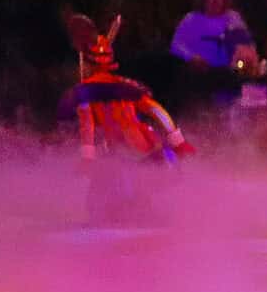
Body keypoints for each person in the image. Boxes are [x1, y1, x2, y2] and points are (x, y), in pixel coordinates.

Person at [58, 13, 194, 219]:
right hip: (142, 148)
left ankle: (131, 211)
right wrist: (178, 140)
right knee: (125, 196)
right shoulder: (126, 88)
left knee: (110, 201)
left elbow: (87, 127)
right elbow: (156, 110)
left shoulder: (88, 93)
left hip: (129, 151)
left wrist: (88, 157)